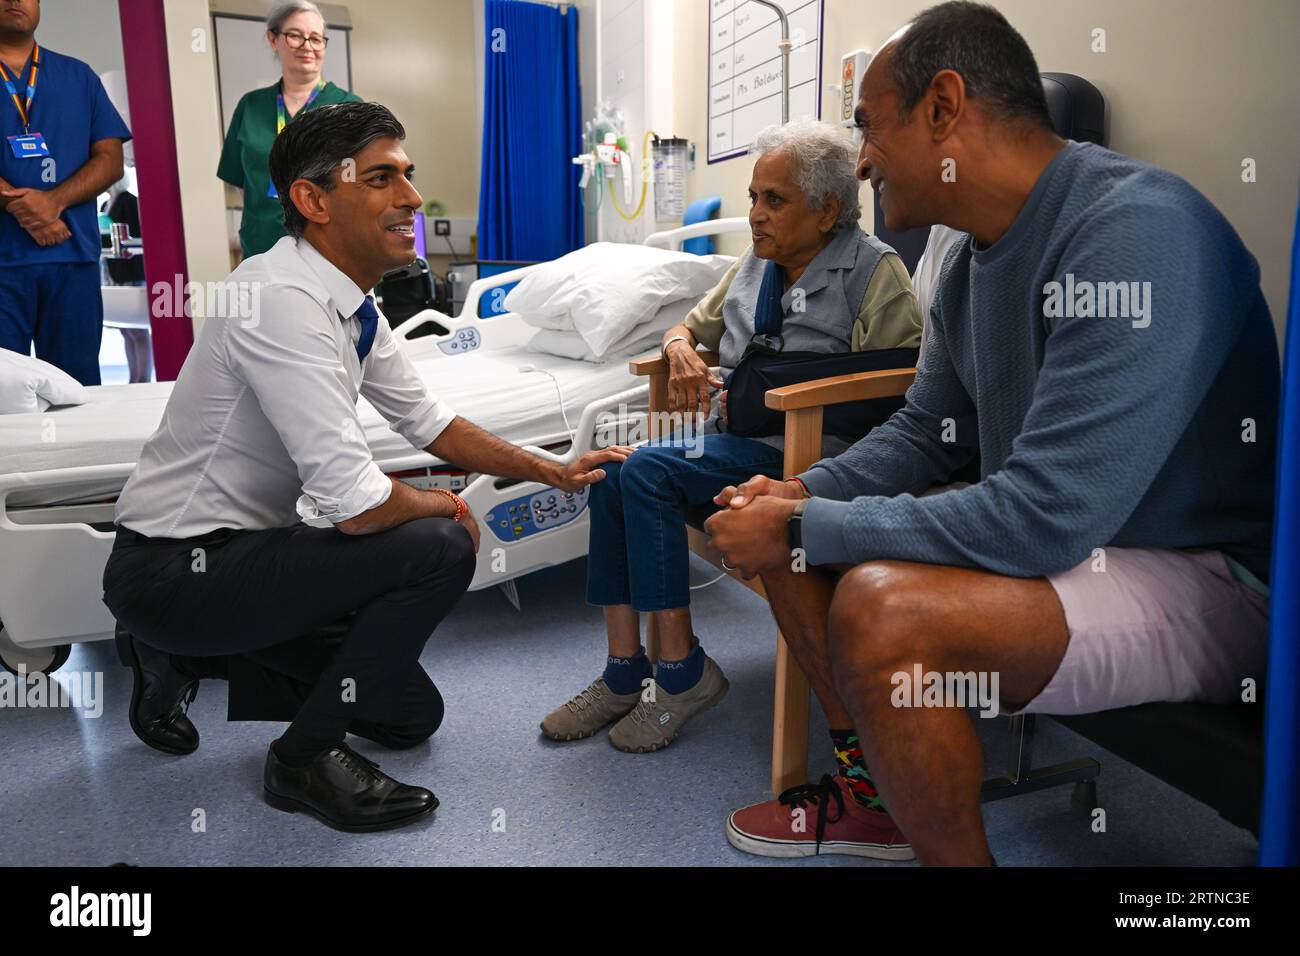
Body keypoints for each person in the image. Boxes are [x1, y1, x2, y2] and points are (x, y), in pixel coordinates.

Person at [706, 0, 1278, 864]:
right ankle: (881, 797)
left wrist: (801, 521)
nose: (859, 163)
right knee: (788, 546)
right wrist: (796, 497)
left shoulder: (1134, 231)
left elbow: (1045, 514)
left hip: (1206, 577)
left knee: (880, 605)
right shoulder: (971, 260)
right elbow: (925, 433)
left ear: (943, 107)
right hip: (1078, 548)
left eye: (868, 128)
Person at [102, 101, 633, 834]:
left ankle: (181, 658)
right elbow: (356, 508)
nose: (412, 198)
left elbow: (428, 421)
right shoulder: (280, 301)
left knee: (410, 717)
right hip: (173, 568)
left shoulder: (354, 307)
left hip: (237, 559)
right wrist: (447, 509)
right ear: (314, 200)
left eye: (407, 176)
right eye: (382, 178)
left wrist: (553, 469)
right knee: (436, 548)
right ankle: (299, 760)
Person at [540, 120, 922, 753]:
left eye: (774, 200)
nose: (755, 215)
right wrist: (681, 351)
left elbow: (899, 385)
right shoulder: (754, 265)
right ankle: (624, 671)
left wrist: (792, 402)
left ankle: (683, 674)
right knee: (613, 468)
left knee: (650, 469)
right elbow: (685, 329)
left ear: (828, 210)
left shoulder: (875, 272)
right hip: (734, 438)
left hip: (806, 453)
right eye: (752, 197)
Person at [0, 0, 131, 386]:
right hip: (3, 267)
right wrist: (27, 210)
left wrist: (51, 202)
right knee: (4, 397)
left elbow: (111, 162)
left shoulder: (78, 77)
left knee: (77, 389)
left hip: (71, 260)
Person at [218, 0, 360, 259]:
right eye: (295, 35)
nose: (307, 46)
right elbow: (245, 185)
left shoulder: (349, 108)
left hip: (329, 253)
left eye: (316, 38)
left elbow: (361, 186)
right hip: (263, 250)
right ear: (273, 40)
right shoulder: (250, 106)